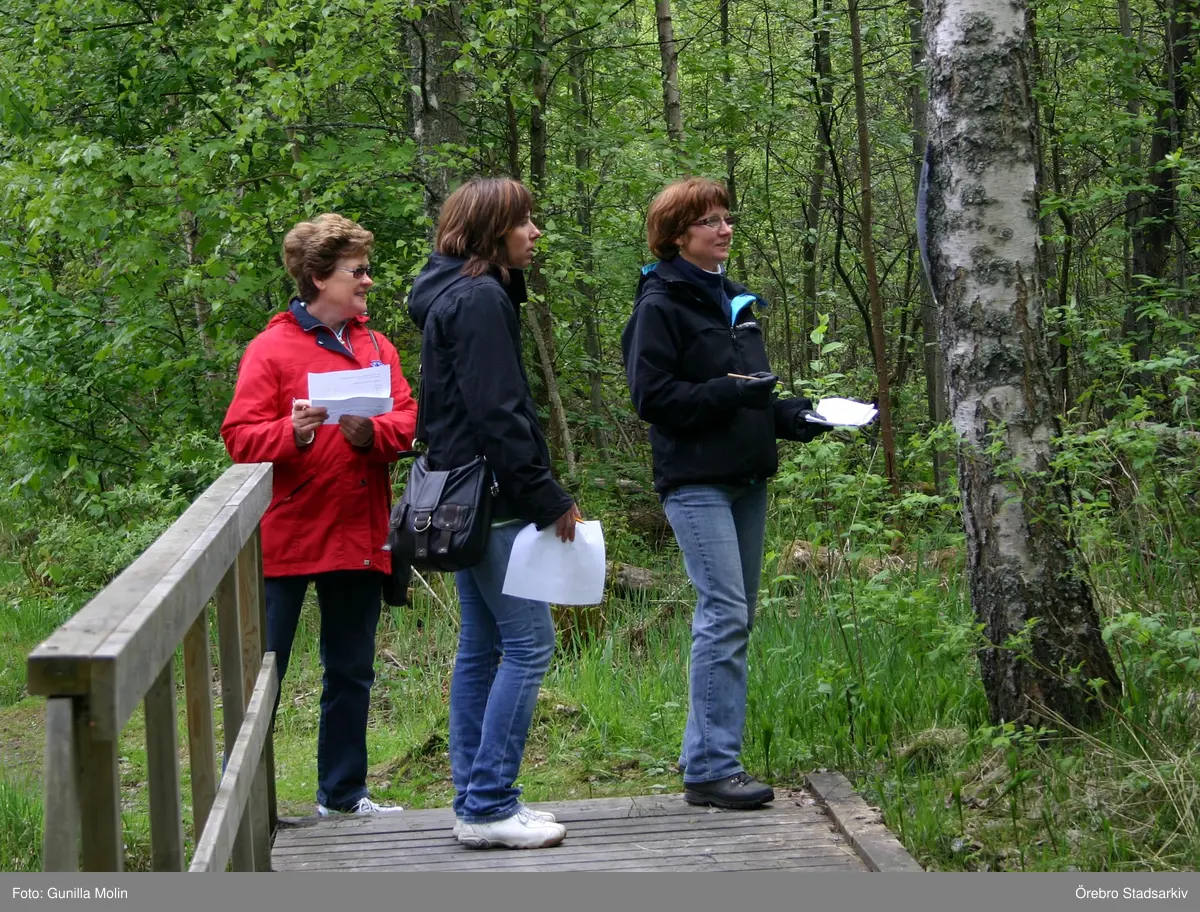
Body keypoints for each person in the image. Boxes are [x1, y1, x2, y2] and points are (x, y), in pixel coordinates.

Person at [620, 177, 830, 810]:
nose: (725, 228)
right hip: (694, 482)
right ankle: (712, 768)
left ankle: (704, 752)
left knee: (736, 615)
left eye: (726, 217)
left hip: (746, 479)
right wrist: (732, 394)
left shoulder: (736, 301)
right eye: (710, 220)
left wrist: (802, 416)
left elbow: (753, 398)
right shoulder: (660, 304)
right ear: (678, 234)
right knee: (724, 613)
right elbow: (652, 399)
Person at [221, 213, 418, 816]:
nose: (368, 282)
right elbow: (239, 437)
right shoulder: (271, 349)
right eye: (357, 272)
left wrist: (371, 433)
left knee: (352, 670)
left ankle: (343, 795)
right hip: (286, 536)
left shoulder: (374, 344)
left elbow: (407, 419)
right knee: (263, 682)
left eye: (366, 270)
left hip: (357, 533)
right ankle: (248, 809)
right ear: (318, 278)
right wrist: (292, 430)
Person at [407, 177, 578, 850]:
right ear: (490, 232)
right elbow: (499, 413)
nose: (535, 232)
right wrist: (546, 496)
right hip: (493, 499)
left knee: (482, 647)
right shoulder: (479, 299)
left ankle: (479, 801)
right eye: (524, 222)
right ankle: (488, 803)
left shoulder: (459, 293)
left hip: (462, 495)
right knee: (530, 646)